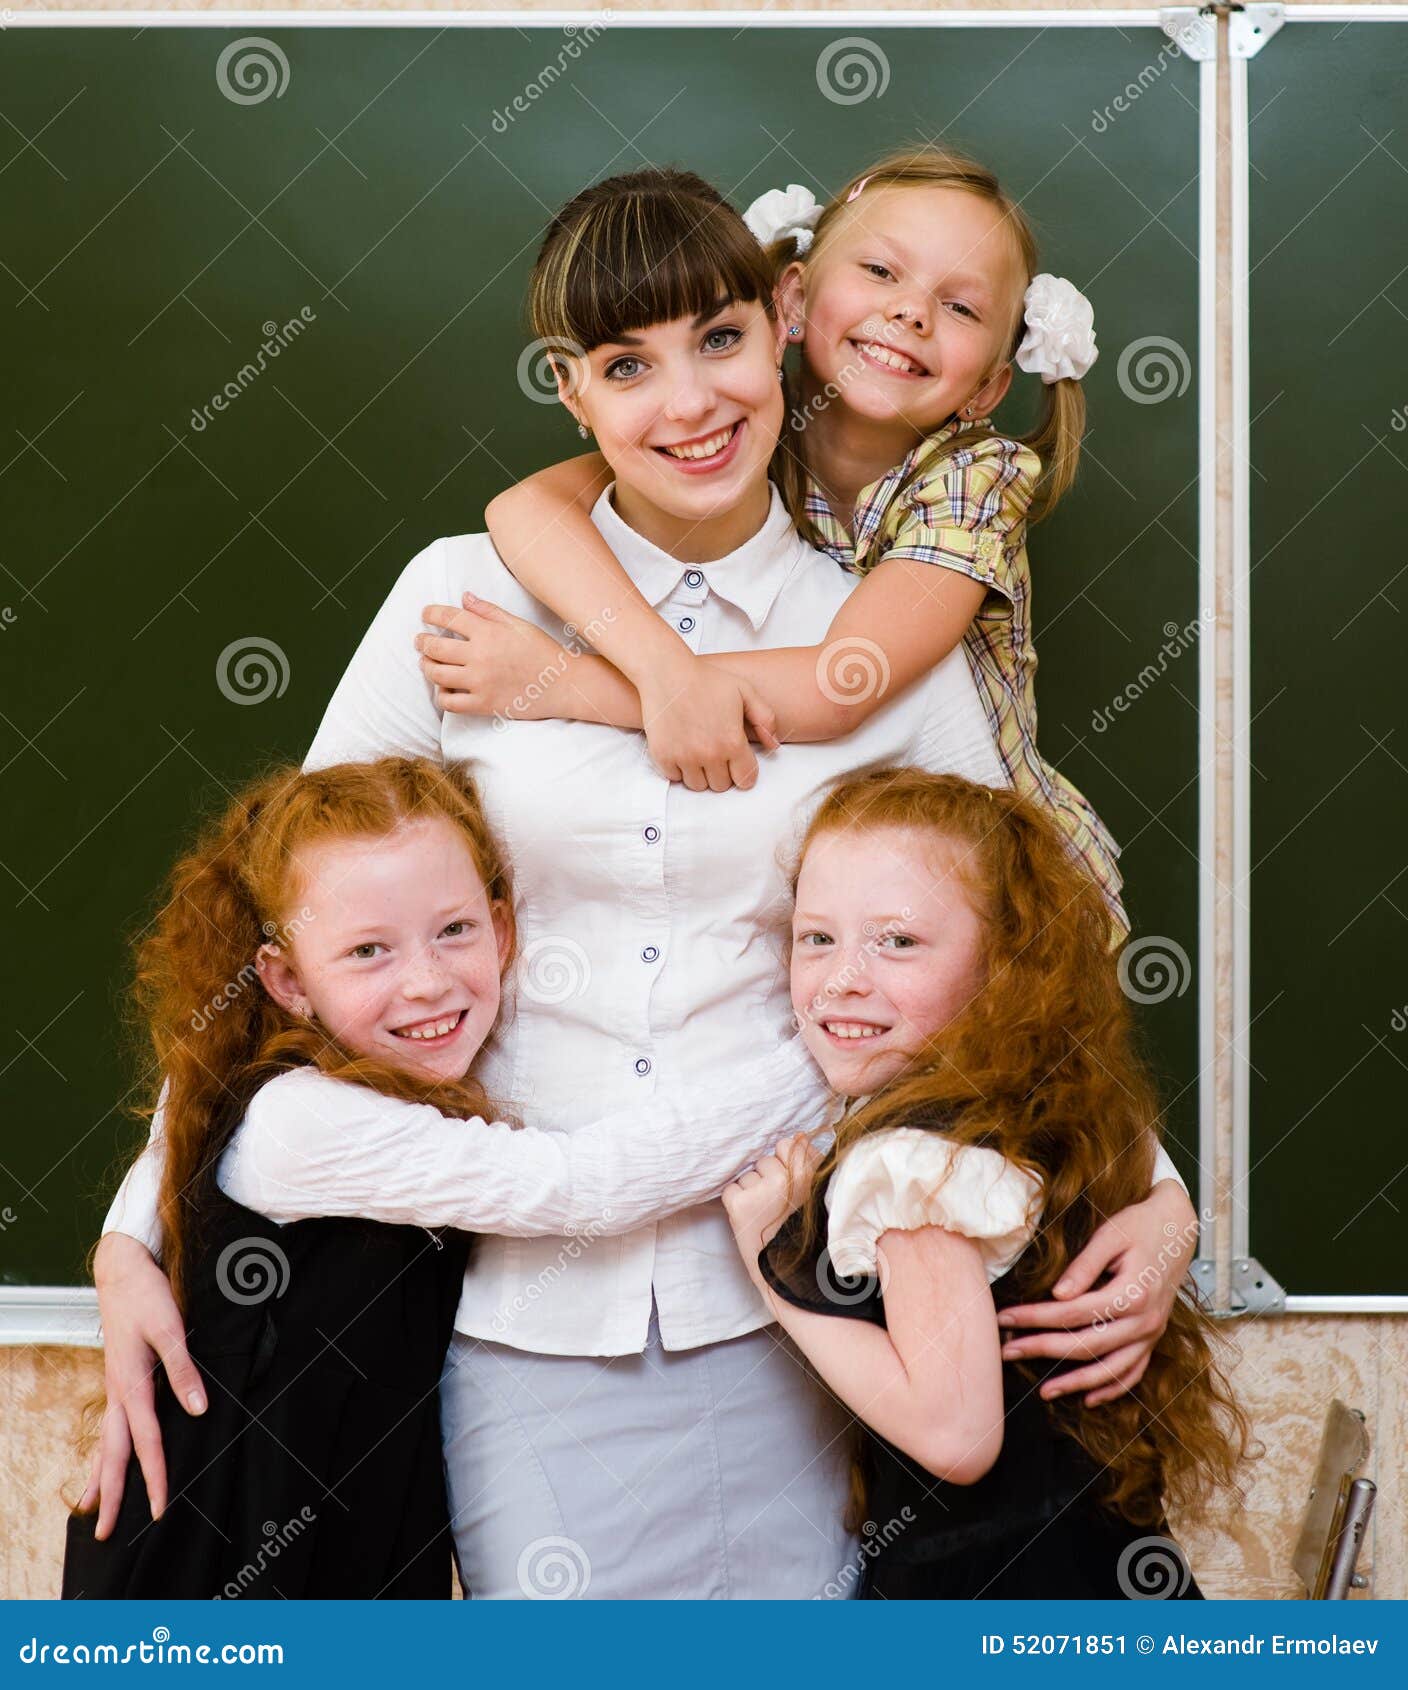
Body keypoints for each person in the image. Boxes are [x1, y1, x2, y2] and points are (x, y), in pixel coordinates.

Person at [91, 166, 1196, 1599]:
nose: (689, 404)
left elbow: (1019, 954)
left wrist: (1160, 1195)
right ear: (573, 389)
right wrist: (141, 1226)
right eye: (628, 366)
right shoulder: (461, 596)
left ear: (782, 328)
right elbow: (282, 926)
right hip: (518, 1317)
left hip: (798, 1312)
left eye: (720, 344)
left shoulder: (870, 647)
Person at [65, 757, 823, 1597]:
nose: (425, 981)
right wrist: (831, 1057)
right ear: (286, 981)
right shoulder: (303, 1121)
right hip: (215, 1561)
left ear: (503, 931)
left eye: (455, 931)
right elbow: (583, 1187)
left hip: (350, 1532)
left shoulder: (380, 1086)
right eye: (366, 951)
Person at [460, 145, 1127, 935]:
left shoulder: (973, 480)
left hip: (1004, 888)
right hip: (854, 885)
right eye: (881, 272)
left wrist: (570, 686)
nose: (912, 312)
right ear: (793, 302)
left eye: (961, 308)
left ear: (985, 386)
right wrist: (657, 664)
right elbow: (525, 509)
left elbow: (844, 685)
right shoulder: (747, 431)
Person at [722, 768, 1252, 1599]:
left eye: (898, 942)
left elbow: (955, 1434)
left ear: (1003, 965)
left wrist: (771, 1262)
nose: (843, 979)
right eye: (817, 938)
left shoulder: (910, 1166)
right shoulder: (1043, 1104)